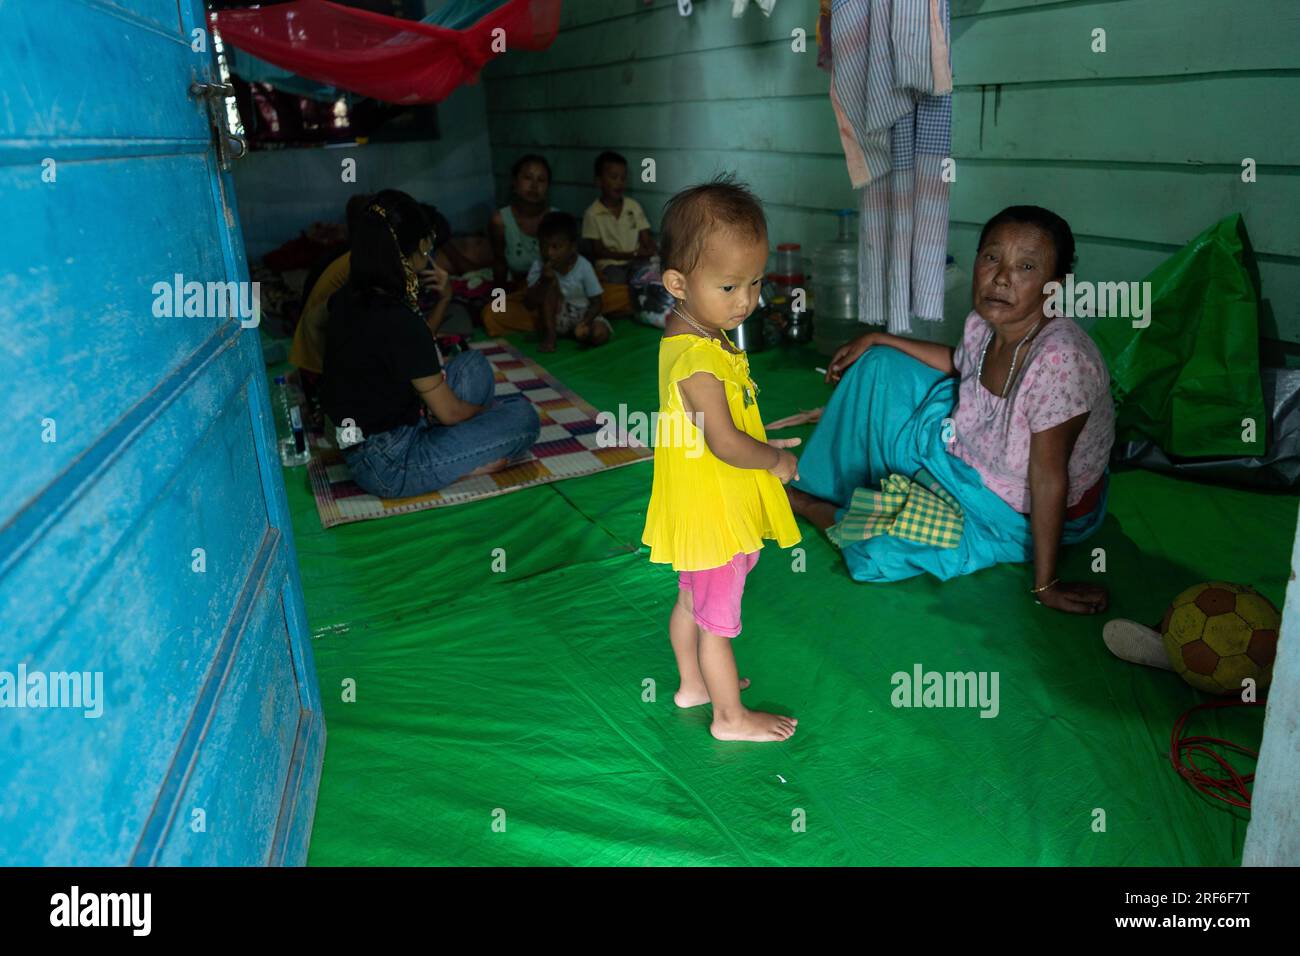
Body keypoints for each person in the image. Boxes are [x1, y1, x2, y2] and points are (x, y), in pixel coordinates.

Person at [786, 205, 1115, 614]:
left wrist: (1046, 585)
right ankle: (832, 485)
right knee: (879, 367)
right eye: (992, 257)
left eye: (1026, 267)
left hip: (1013, 509)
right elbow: (963, 364)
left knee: (878, 553)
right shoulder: (986, 321)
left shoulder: (1061, 362)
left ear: (1055, 286)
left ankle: (809, 503)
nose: (1001, 277)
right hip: (962, 451)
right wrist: (879, 338)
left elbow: (1048, 477)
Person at [641, 176, 801, 742]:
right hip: (714, 516)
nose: (746, 301)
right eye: (729, 286)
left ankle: (693, 686)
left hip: (697, 505)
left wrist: (762, 446)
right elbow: (725, 442)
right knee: (716, 626)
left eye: (755, 282)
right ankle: (729, 718)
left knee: (691, 599)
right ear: (679, 283)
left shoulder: (688, 333)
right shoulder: (701, 362)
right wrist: (774, 463)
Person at [320, 191, 539, 497]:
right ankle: (468, 461)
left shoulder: (346, 298)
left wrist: (446, 296)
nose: (428, 259)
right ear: (411, 254)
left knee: (473, 366)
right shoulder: (398, 320)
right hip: (391, 464)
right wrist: (482, 414)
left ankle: (464, 445)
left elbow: (409, 352)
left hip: (367, 436)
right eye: (425, 250)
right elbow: (449, 413)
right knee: (522, 416)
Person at [482, 154, 556, 337]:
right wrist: (498, 299)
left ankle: (556, 321)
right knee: (492, 315)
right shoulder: (501, 221)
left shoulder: (555, 219)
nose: (534, 185)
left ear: (547, 187)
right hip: (525, 293)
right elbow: (499, 264)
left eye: (541, 180)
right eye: (527, 178)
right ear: (515, 183)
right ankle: (555, 323)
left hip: (560, 291)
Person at [581, 150, 657, 316]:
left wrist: (651, 252)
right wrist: (633, 254)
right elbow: (598, 252)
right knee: (616, 283)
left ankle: (630, 305)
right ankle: (628, 306)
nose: (619, 183)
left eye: (623, 178)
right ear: (599, 181)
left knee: (647, 276)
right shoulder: (592, 213)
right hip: (610, 265)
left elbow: (646, 238)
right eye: (613, 177)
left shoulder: (633, 206)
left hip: (636, 261)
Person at [523, 212, 609, 352]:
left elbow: (597, 302)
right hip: (555, 320)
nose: (549, 253)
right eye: (544, 247)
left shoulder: (583, 266)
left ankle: (581, 334)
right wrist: (544, 280)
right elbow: (529, 303)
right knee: (550, 285)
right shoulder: (539, 265)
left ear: (572, 247)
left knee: (600, 334)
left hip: (583, 317)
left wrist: (585, 323)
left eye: (556, 247)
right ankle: (550, 336)